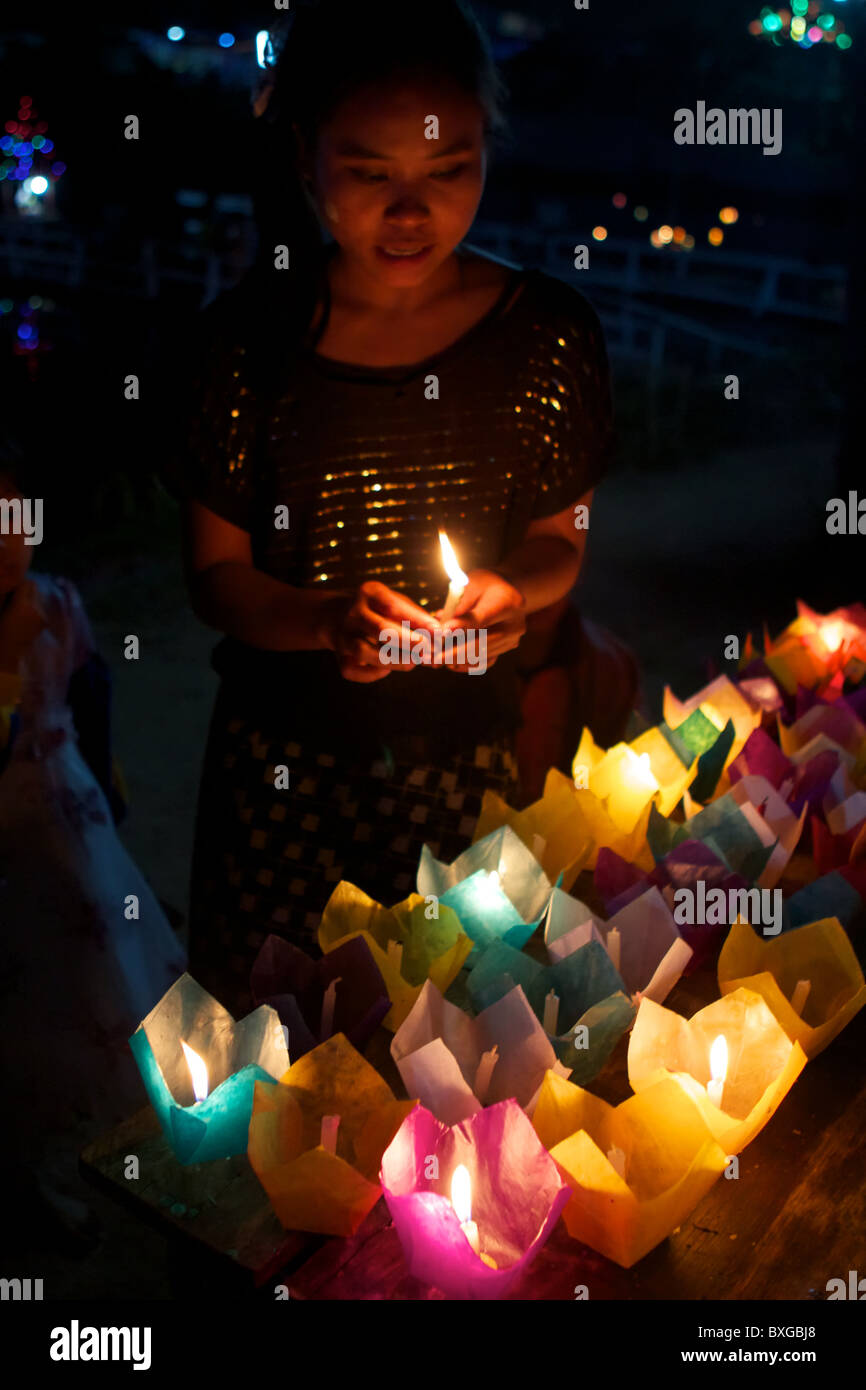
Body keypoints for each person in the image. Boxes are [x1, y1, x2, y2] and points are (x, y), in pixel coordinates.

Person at [164, 0, 615, 1018]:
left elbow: (559, 540)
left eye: (448, 169)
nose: (410, 213)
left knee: (447, 1040)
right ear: (304, 154)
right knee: (274, 1046)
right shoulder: (243, 349)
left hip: (464, 755)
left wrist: (514, 592)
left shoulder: (543, 339)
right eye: (370, 175)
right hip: (279, 765)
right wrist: (323, 619)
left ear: (486, 151)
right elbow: (215, 575)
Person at [0, 445, 187, 1247]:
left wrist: (107, 790)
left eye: (17, 518)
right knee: (28, 988)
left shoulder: (59, 602)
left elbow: (90, 687)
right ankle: (28, 1162)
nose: (7, 538)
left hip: (69, 798)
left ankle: (117, 1132)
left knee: (108, 945)